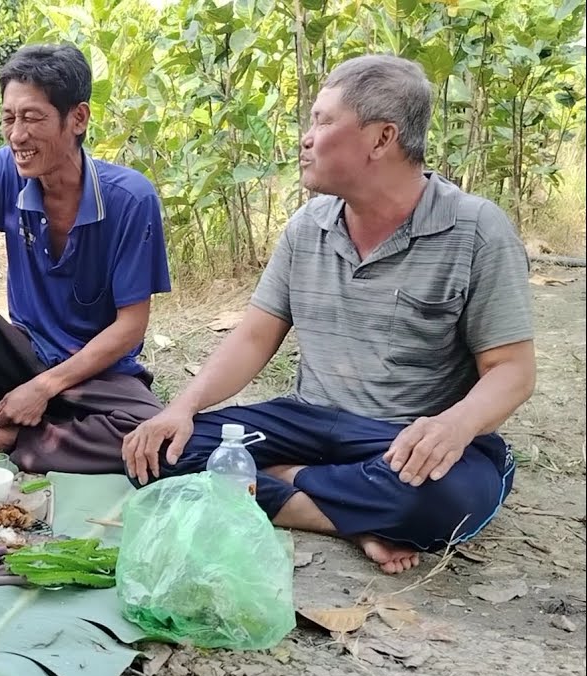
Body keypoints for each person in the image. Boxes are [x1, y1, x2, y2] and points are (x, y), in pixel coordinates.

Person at [122, 55, 536, 575]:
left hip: (404, 436)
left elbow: (512, 371)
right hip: (308, 419)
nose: (306, 137)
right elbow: (254, 337)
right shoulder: (307, 225)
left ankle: (284, 480)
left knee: (442, 503)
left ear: (382, 139)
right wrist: (182, 406)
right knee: (158, 452)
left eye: (322, 120)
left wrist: (454, 426)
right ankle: (354, 517)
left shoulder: (476, 229)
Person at [0, 44, 171, 480]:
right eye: (9, 118)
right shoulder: (6, 170)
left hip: (96, 374)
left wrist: (44, 388)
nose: (17, 135)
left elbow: (130, 327)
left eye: (33, 118)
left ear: (77, 118)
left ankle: (11, 437)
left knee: (149, 436)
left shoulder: (131, 198)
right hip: (22, 355)